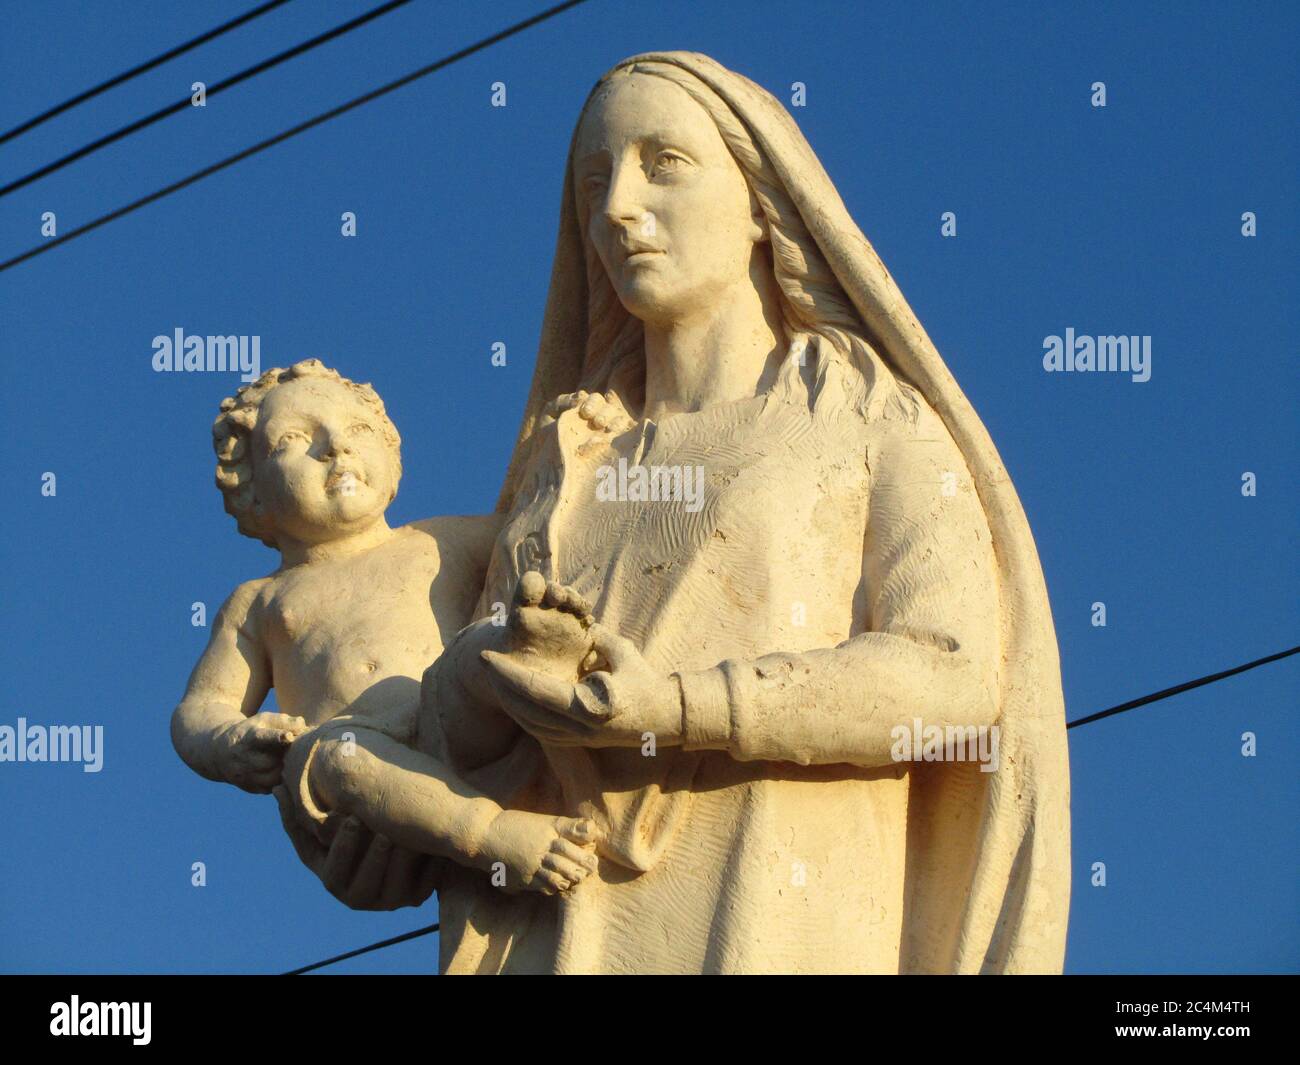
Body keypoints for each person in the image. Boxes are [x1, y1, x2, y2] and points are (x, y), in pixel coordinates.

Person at [285, 52, 1071, 974]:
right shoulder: (562, 465)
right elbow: (456, 762)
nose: (617, 207)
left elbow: (956, 681)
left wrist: (676, 706)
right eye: (594, 182)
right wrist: (423, 727)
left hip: (783, 927)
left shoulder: (865, 418)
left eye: (664, 163)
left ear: (759, 203)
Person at [170, 359, 598, 898]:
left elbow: (545, 513)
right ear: (251, 490)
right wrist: (230, 739)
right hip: (359, 779)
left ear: (392, 456)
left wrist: (566, 433)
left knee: (482, 652)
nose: (335, 448)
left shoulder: (442, 540)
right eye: (295, 439)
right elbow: (199, 708)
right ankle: (494, 835)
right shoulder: (259, 601)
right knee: (336, 756)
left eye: (358, 430)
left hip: (456, 719)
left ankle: (548, 660)